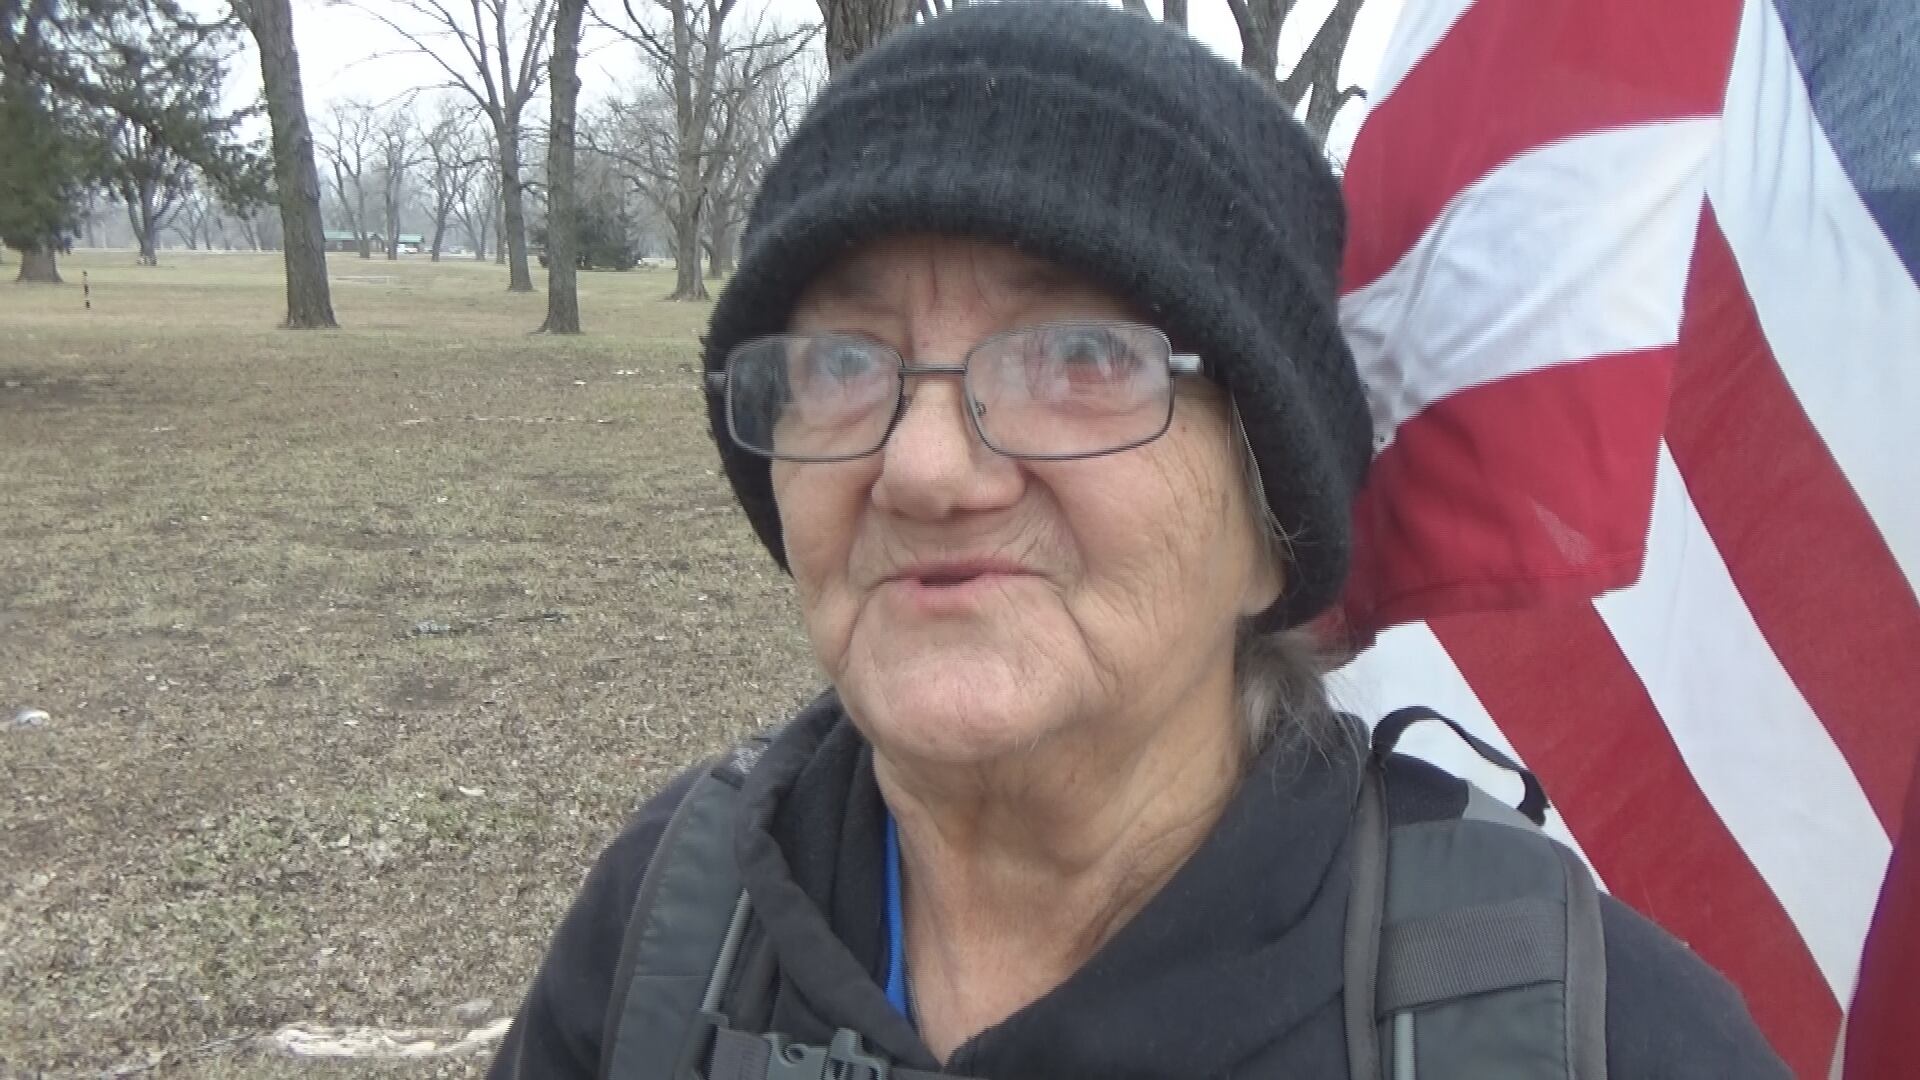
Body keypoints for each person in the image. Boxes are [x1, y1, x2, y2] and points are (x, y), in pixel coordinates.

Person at [488, 4, 1789, 1077]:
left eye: (1079, 356)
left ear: (1273, 536)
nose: (924, 467)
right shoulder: (674, 925)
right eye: (843, 360)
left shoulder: (1584, 1036)